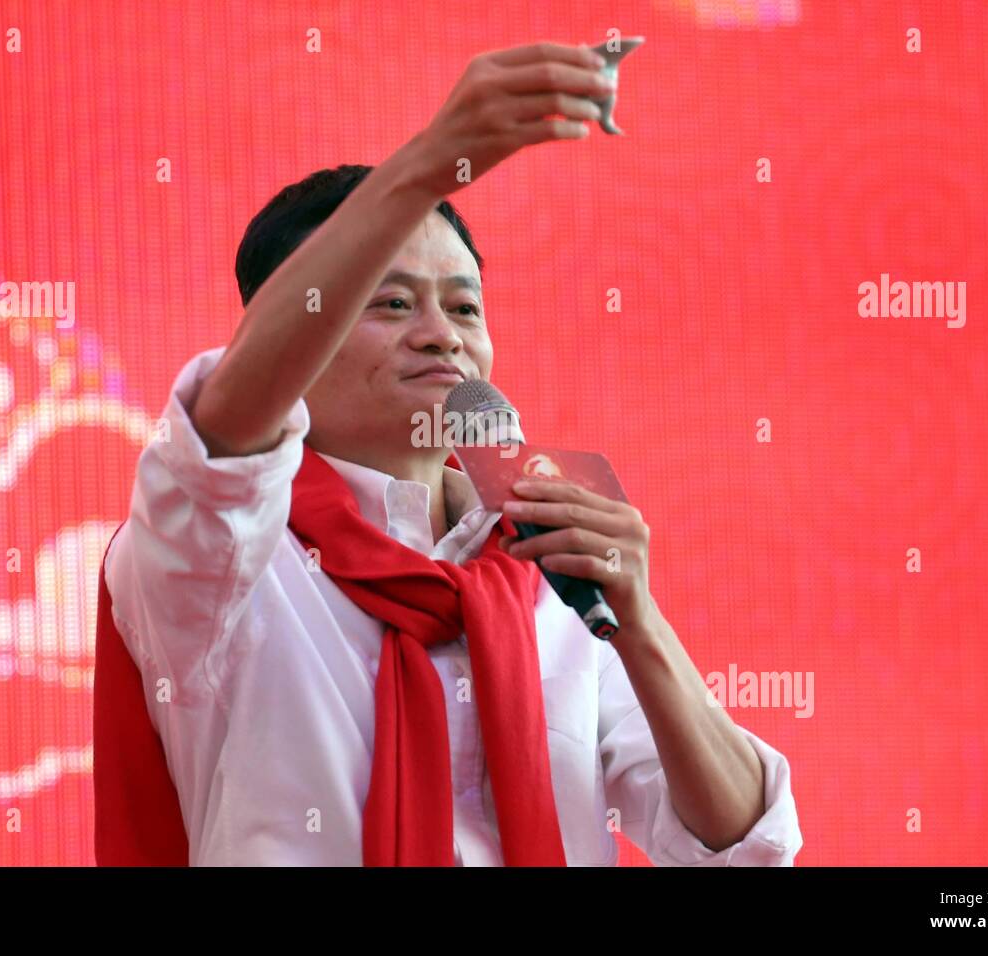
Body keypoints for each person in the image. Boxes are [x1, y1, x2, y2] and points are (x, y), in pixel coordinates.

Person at [97, 41, 804, 866]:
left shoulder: (548, 576)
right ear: (297, 333)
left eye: (465, 307)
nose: (442, 335)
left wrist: (639, 624)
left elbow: (744, 845)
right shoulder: (217, 565)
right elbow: (219, 443)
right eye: (390, 301)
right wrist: (430, 164)